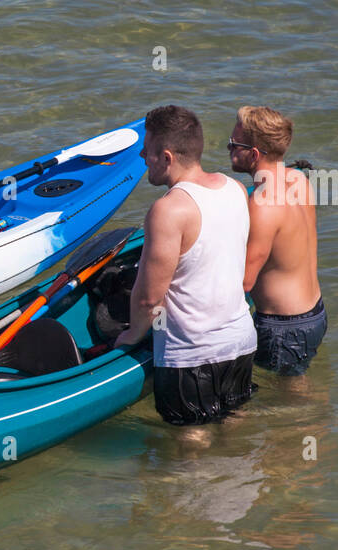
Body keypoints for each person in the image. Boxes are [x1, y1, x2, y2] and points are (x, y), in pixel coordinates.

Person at [114, 105, 257, 425]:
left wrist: (132, 336)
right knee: (236, 431)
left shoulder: (168, 210)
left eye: (147, 150)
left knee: (189, 450)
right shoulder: (234, 189)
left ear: (166, 157)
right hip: (240, 342)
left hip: (192, 356)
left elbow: (150, 298)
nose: (141, 156)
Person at [228, 105, 327, 375]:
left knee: (290, 406)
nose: (229, 149)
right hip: (314, 312)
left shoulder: (262, 204)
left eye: (233, 144)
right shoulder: (298, 180)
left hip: (285, 327)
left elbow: (244, 282)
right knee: (295, 393)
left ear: (255, 154)